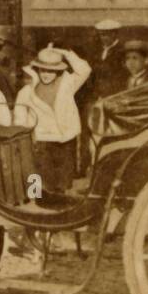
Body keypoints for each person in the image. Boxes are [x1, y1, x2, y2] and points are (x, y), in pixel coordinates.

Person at [13, 47, 91, 195]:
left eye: (51, 71)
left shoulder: (68, 84)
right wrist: (26, 134)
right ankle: (33, 200)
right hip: (41, 139)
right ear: (36, 69)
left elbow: (84, 70)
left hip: (65, 138)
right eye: (42, 70)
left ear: (58, 71)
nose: (46, 74)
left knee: (62, 179)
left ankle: (59, 204)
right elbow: (20, 116)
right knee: (36, 173)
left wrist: (67, 53)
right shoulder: (27, 92)